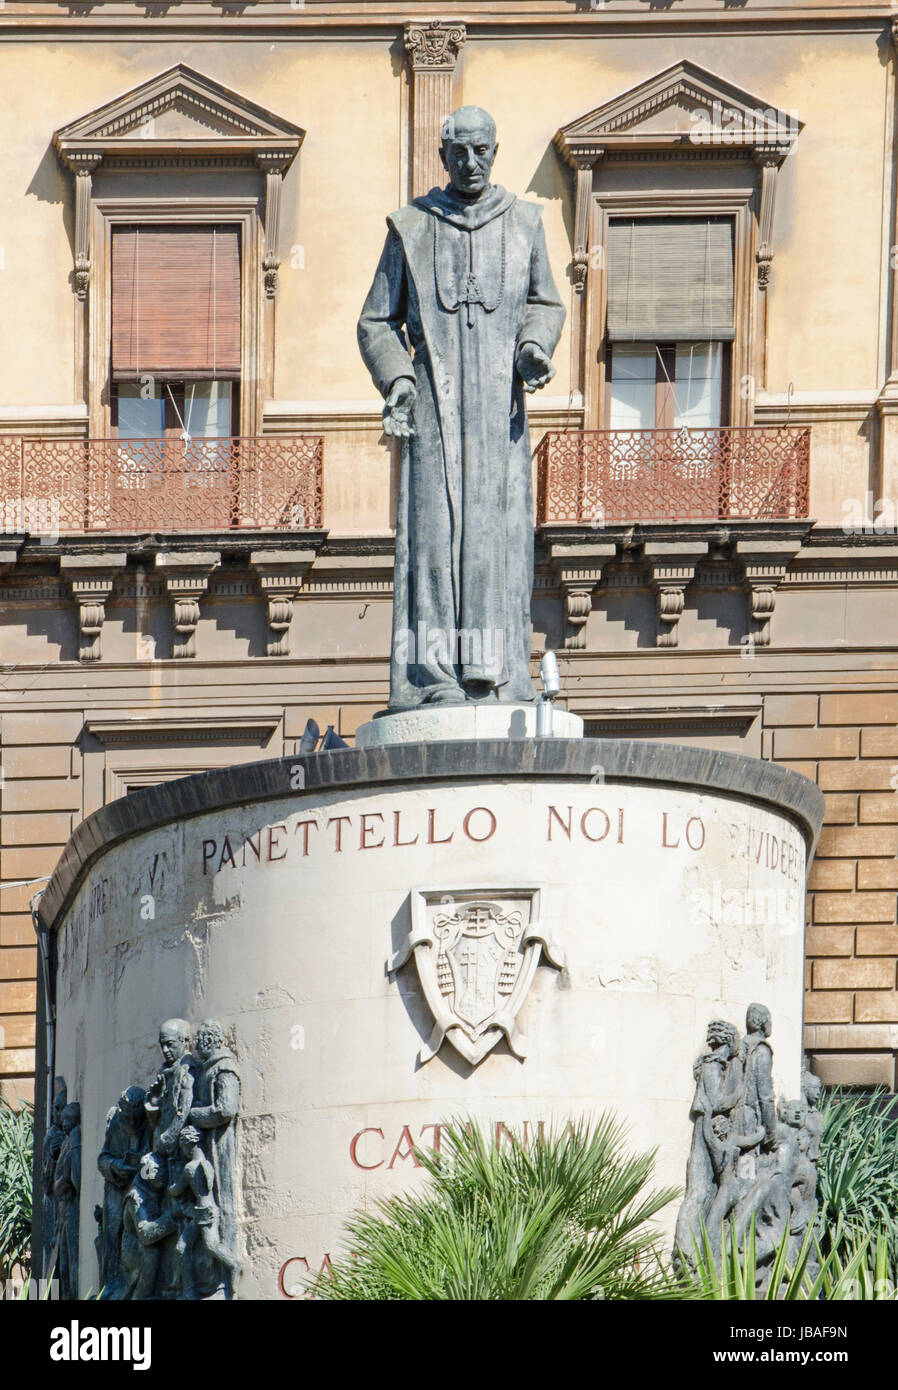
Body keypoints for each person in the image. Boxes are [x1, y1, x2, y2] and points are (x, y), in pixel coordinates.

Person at [358, 106, 565, 709]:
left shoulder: (525, 224)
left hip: (501, 413)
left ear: (496, 153)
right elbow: (375, 321)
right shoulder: (410, 228)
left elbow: (545, 304)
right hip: (434, 414)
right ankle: (434, 679)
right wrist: (397, 380)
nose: (471, 163)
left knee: (499, 538)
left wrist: (533, 345)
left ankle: (500, 676)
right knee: (433, 540)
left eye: (481, 151)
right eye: (459, 153)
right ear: (443, 157)